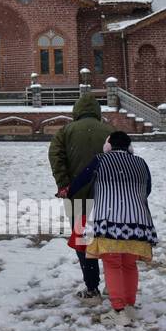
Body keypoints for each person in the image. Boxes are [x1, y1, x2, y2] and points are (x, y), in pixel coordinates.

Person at [65, 131, 157, 326]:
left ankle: (118, 310)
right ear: (129, 147)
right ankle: (130, 307)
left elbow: (80, 183)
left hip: (109, 221)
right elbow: (147, 189)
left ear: (108, 146)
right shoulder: (141, 163)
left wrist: (68, 192)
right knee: (130, 264)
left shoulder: (100, 160)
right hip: (139, 222)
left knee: (113, 263)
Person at [48, 93, 113, 301]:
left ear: (76, 111)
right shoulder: (110, 131)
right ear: (96, 110)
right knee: (109, 239)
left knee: (83, 241)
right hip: (108, 197)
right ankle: (113, 285)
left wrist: (64, 183)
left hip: (76, 195)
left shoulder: (65, 131)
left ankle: (92, 287)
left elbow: (55, 156)